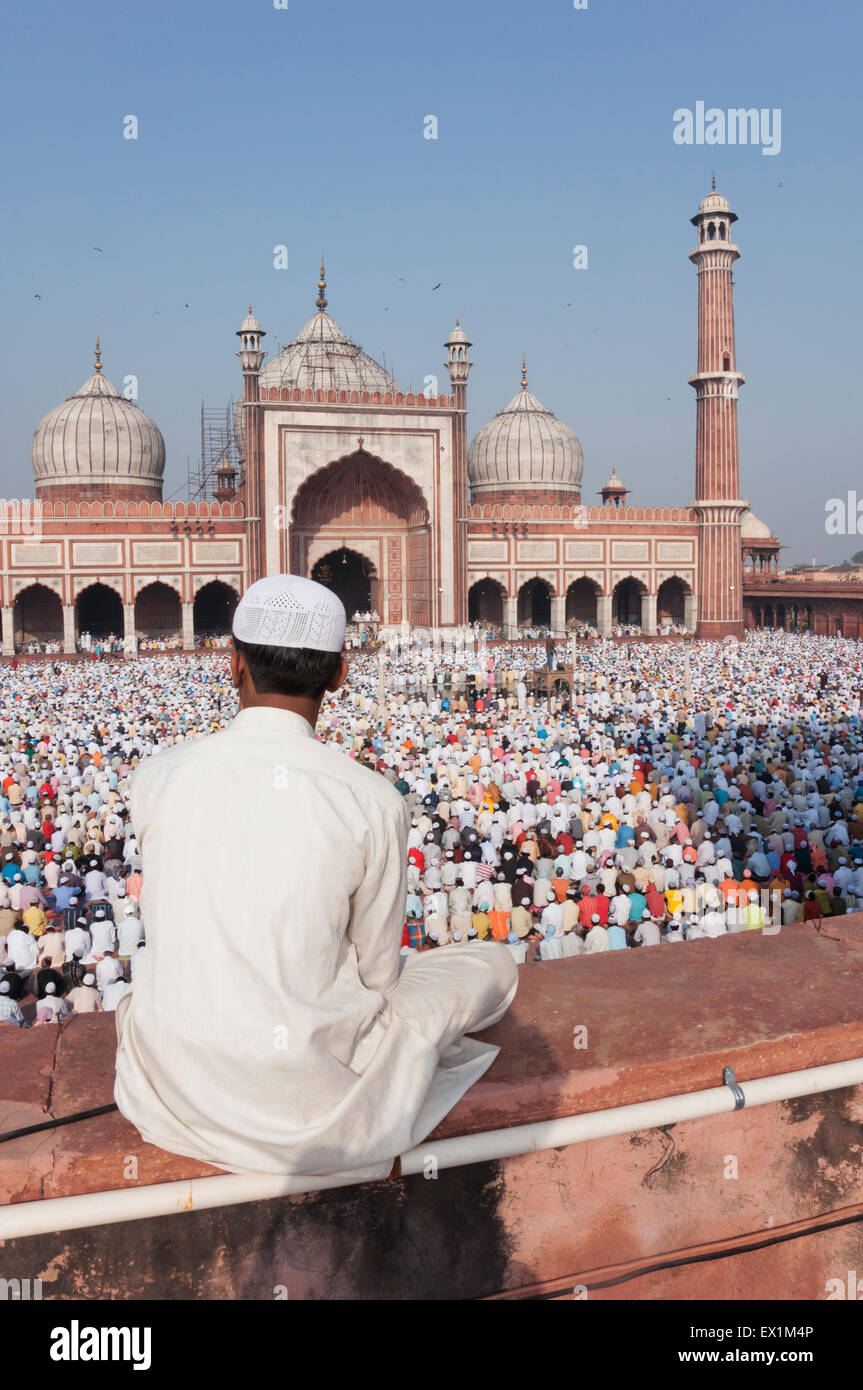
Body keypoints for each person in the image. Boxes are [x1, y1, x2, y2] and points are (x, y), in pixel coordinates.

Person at [115, 575, 518, 1180]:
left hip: (172, 1081)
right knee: (491, 966)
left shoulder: (158, 775)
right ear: (338, 674)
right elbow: (379, 973)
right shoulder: (371, 797)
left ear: (234, 664)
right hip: (305, 1097)